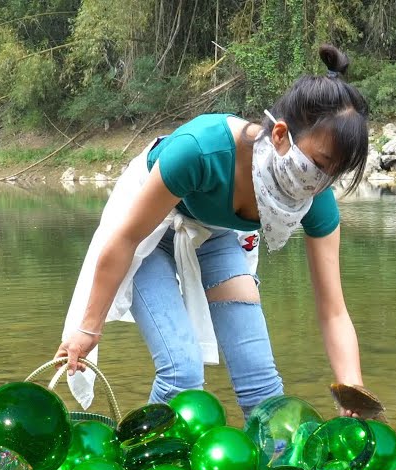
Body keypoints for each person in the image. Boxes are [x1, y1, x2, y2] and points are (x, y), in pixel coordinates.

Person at [55, 44, 378, 420]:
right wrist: (87, 328)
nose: (323, 181)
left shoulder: (313, 197)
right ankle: (144, 463)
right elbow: (125, 239)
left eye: (335, 173)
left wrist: (352, 391)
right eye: (320, 164)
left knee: (262, 383)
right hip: (148, 232)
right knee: (182, 372)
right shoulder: (199, 151)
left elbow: (333, 310)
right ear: (280, 135)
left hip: (216, 234)